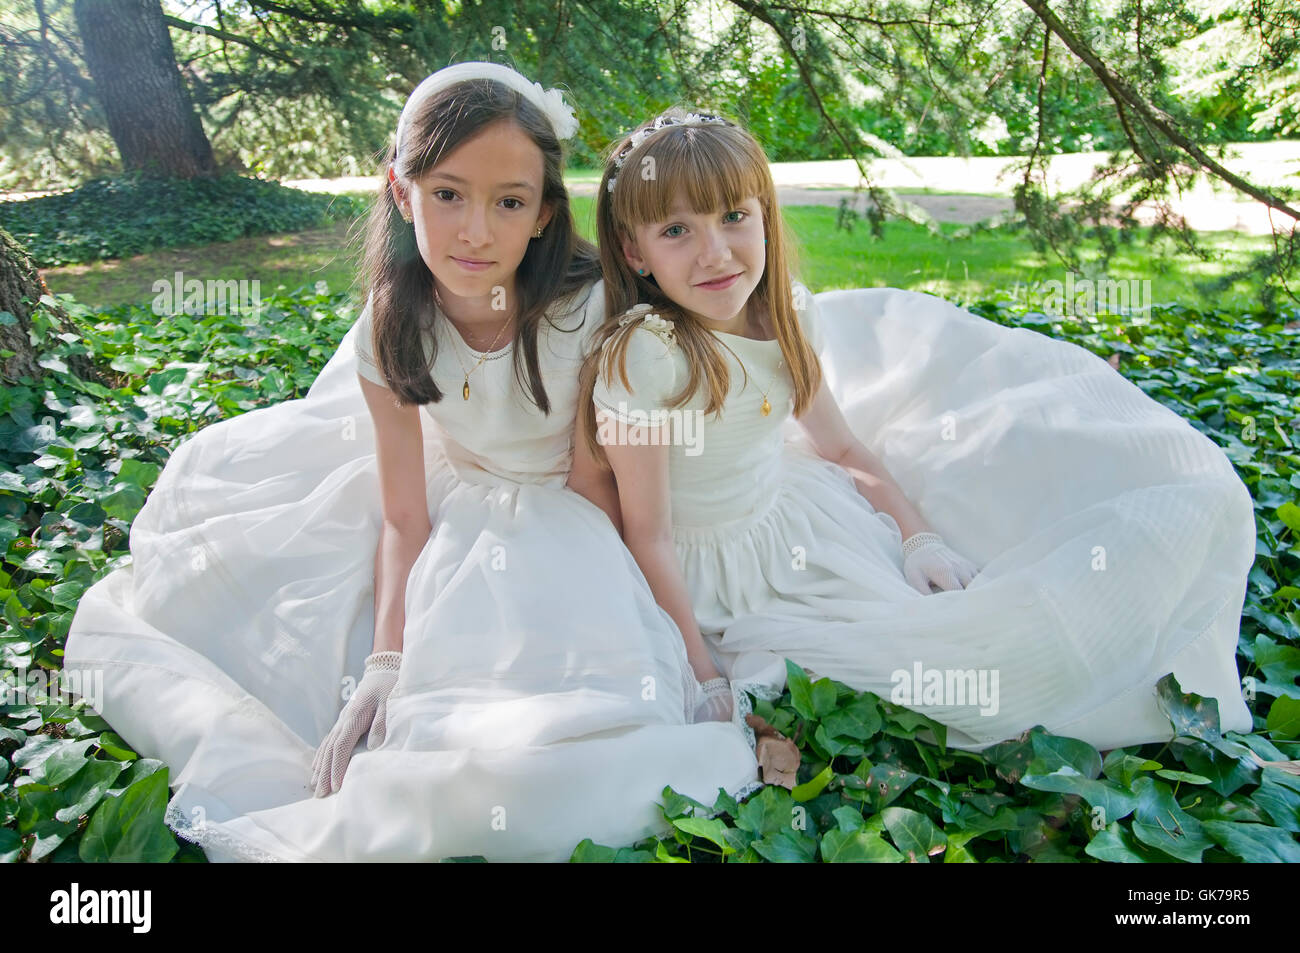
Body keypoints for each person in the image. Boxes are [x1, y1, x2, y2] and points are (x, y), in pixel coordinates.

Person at [61, 68, 759, 863]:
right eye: (448, 194)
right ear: (401, 192)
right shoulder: (392, 327)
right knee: (335, 660)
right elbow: (401, 515)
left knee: (565, 721)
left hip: (571, 504)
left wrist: (670, 648)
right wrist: (386, 661)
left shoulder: (590, 309)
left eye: (509, 202)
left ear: (543, 216)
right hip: (456, 492)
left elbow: (604, 489)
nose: (475, 232)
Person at [577, 107, 1255, 753]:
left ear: (764, 216)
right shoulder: (649, 354)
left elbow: (840, 446)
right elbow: (650, 532)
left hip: (796, 522)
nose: (715, 253)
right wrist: (701, 669)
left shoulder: (782, 318)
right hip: (703, 566)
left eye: (734, 217)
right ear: (636, 252)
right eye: (676, 232)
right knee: (894, 676)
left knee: (951, 626)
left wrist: (915, 534)